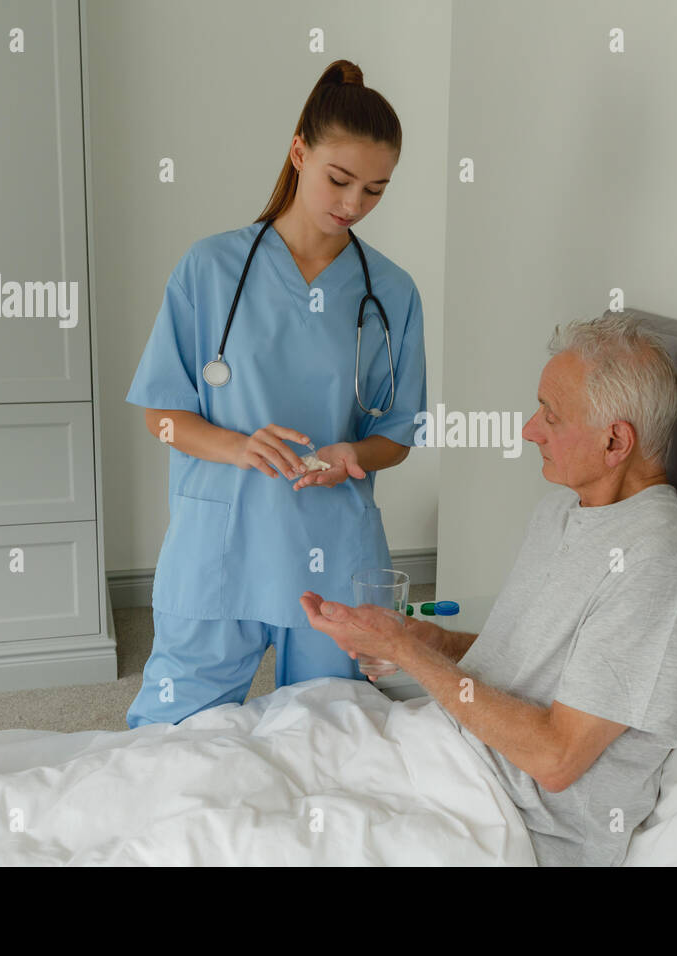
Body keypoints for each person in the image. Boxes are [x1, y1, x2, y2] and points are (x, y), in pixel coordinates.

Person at [302, 313, 677, 866]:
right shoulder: (566, 507)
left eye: (551, 415)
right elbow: (529, 662)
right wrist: (422, 638)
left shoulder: (658, 564)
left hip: (507, 819)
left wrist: (405, 653)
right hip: (446, 752)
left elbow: (556, 758)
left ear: (615, 440)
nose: (529, 429)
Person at [126, 60, 427, 728]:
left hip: (332, 549)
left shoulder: (392, 293)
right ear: (299, 153)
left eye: (376, 190)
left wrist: (354, 452)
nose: (353, 205)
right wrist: (238, 445)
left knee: (328, 737)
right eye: (339, 180)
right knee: (171, 739)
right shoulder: (209, 269)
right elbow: (162, 417)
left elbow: (398, 436)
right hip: (222, 541)